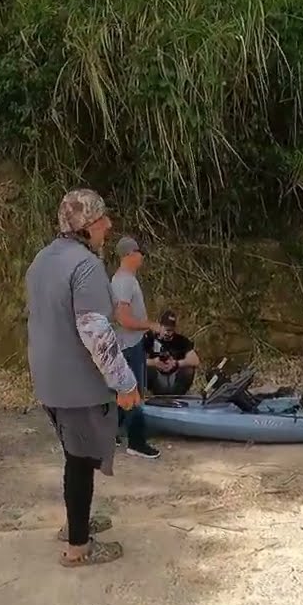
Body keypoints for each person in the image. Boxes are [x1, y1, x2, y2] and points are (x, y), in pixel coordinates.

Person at [26, 188, 138, 568]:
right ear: (86, 226)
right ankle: (78, 547)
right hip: (77, 383)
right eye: (101, 220)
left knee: (76, 454)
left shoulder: (42, 260)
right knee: (80, 458)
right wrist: (125, 383)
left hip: (48, 378)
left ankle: (79, 522)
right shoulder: (86, 267)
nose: (108, 225)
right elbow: (98, 334)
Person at [110, 236, 163, 459]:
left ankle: (109, 431)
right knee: (134, 392)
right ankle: (137, 442)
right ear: (130, 254)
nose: (142, 256)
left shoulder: (126, 279)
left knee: (123, 389)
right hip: (128, 345)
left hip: (130, 343)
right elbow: (123, 318)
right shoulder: (124, 281)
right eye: (140, 252)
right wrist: (150, 325)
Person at [145, 310, 202, 395]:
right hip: (157, 378)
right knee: (144, 368)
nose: (168, 332)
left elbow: (195, 360)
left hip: (174, 379)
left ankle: (177, 395)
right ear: (160, 326)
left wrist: (176, 363)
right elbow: (136, 359)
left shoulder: (181, 341)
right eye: (165, 328)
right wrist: (154, 362)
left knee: (188, 370)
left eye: (171, 329)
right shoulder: (150, 339)